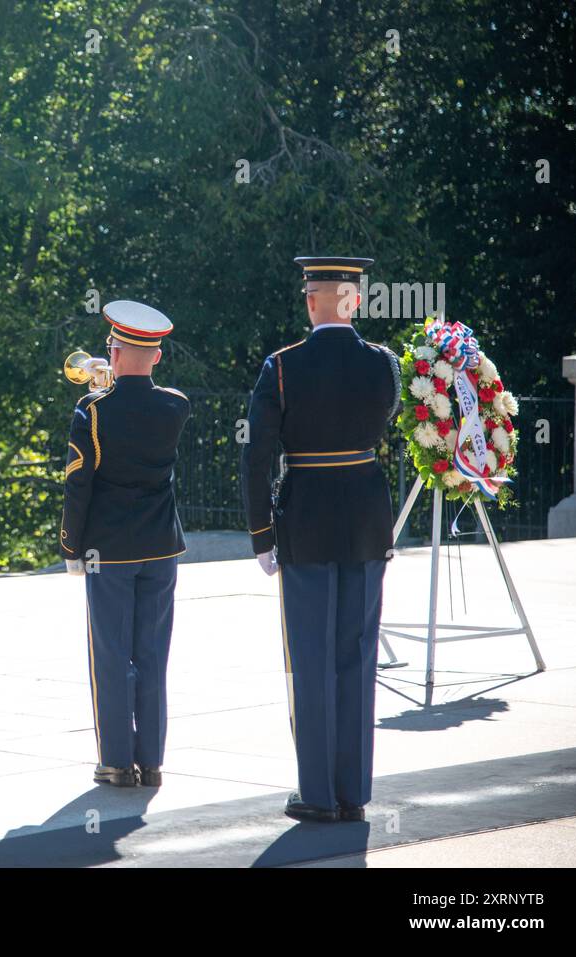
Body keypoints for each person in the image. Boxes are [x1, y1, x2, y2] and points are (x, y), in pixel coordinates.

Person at [240, 256, 402, 823]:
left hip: (305, 519)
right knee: (356, 655)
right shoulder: (384, 364)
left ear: (311, 301)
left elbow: (258, 455)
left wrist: (261, 533)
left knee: (310, 657)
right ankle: (353, 791)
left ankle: (316, 794)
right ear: (354, 301)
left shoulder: (282, 367)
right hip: (364, 518)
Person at [60, 300, 191, 788]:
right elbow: (140, 412)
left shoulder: (92, 410)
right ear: (156, 356)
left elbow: (79, 483)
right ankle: (151, 762)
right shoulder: (175, 405)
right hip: (160, 547)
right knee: (153, 654)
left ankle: (116, 761)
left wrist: (71, 546)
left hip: (108, 551)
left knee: (112, 656)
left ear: (113, 354)